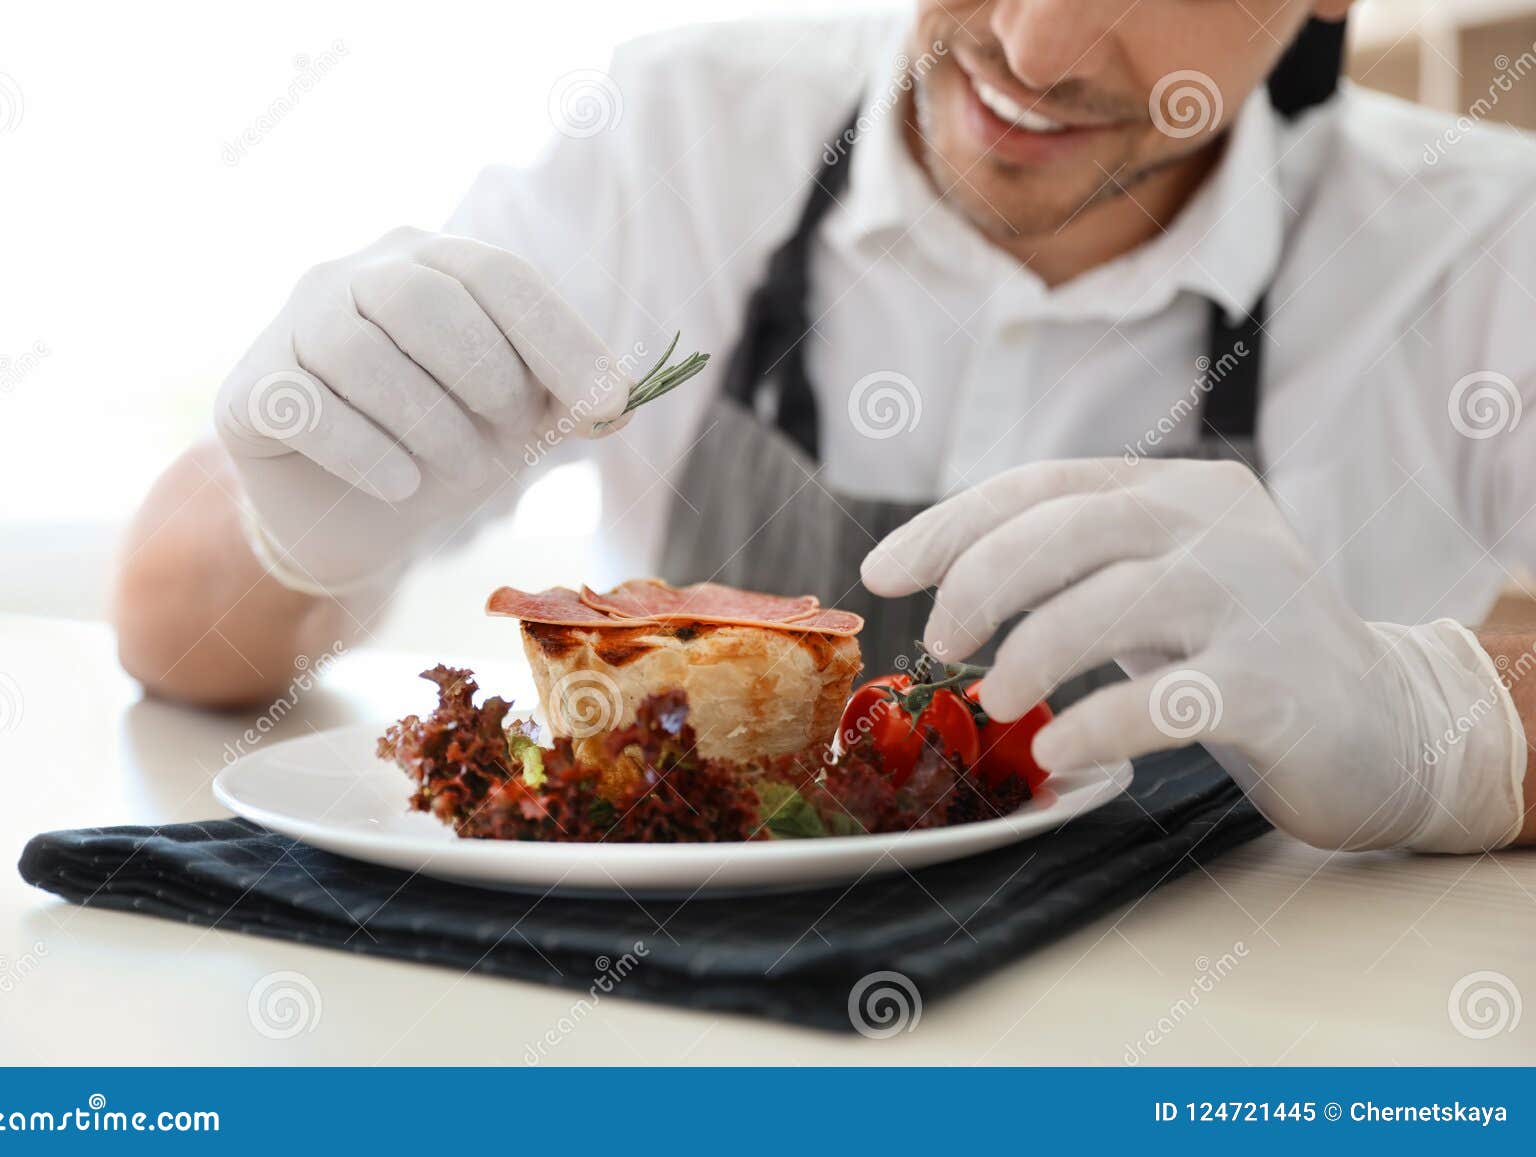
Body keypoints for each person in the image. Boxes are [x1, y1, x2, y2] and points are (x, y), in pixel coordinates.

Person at [114, 1, 1535, 852]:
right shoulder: (674, 136)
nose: (1033, 46)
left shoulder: (1480, 247)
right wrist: (290, 530)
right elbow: (168, 629)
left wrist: (1438, 730)